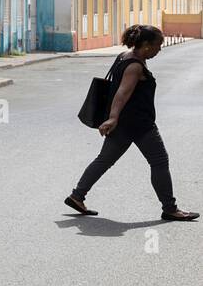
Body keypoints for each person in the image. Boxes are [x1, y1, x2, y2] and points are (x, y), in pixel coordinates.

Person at [65, 24, 198, 221]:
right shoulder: (135, 66)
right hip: (138, 124)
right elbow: (122, 92)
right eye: (157, 45)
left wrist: (115, 119)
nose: (159, 49)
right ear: (145, 45)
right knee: (159, 161)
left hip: (123, 125)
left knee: (104, 160)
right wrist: (113, 117)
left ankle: (77, 196)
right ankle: (170, 208)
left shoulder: (124, 57)